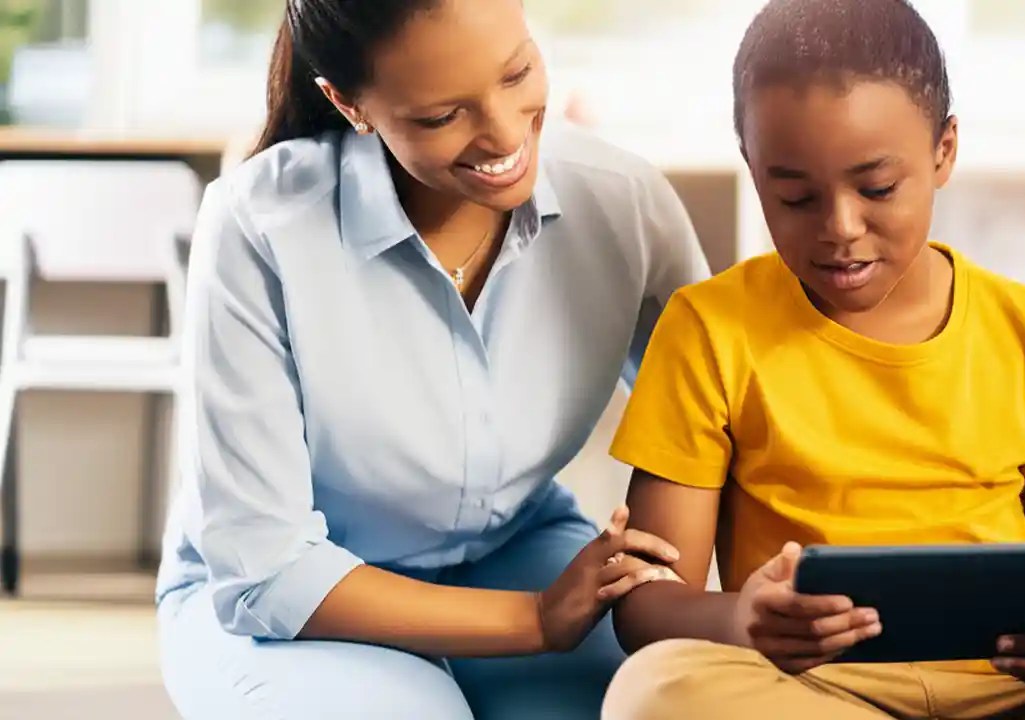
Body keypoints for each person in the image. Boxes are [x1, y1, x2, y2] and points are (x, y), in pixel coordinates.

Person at [599, 0, 1025, 718]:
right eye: (795, 196)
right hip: (816, 695)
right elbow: (648, 603)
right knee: (656, 693)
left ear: (944, 151)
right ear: (753, 167)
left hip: (1017, 697)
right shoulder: (709, 328)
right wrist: (742, 620)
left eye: (877, 189)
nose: (840, 228)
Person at [155, 1, 708, 718]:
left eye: (517, 73)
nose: (505, 133)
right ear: (349, 104)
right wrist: (537, 619)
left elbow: (718, 420)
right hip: (297, 598)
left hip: (513, 548)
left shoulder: (623, 201)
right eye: (443, 116)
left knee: (654, 703)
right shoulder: (260, 226)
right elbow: (266, 571)